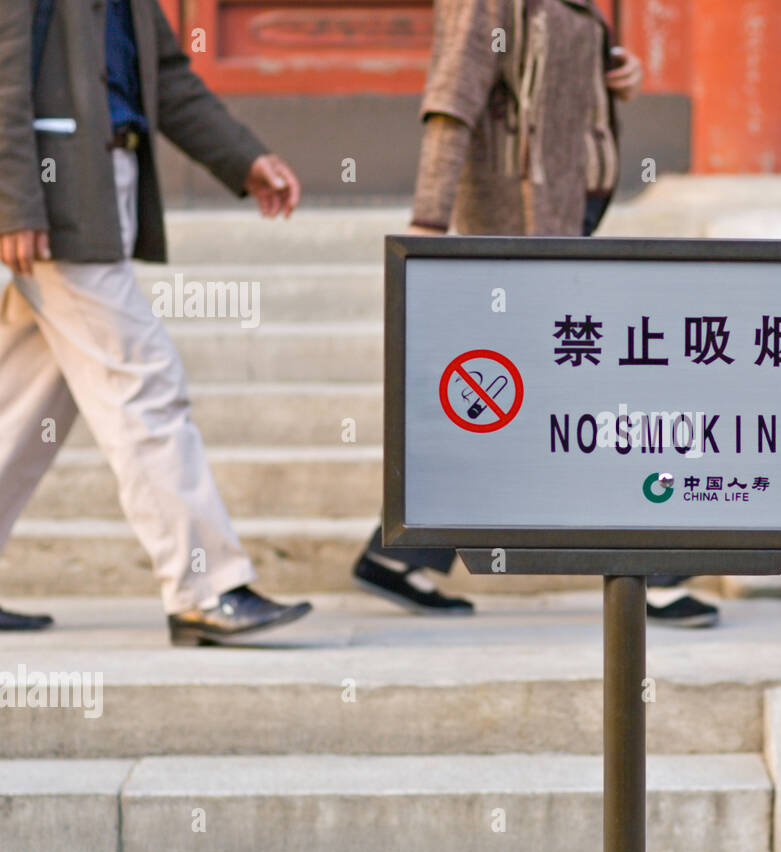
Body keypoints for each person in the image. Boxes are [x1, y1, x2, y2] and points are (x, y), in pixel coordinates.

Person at [352, 0, 719, 628]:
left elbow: (540, 73)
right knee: (587, 388)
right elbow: (454, 94)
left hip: (560, 216)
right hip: (516, 224)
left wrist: (608, 76)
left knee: (509, 403)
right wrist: (428, 223)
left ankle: (397, 551)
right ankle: (653, 571)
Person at [0, 0, 312, 645]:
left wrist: (243, 158)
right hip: (55, 200)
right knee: (144, 382)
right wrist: (12, 203)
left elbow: (166, 75)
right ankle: (205, 588)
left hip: (99, 179)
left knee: (23, 401)